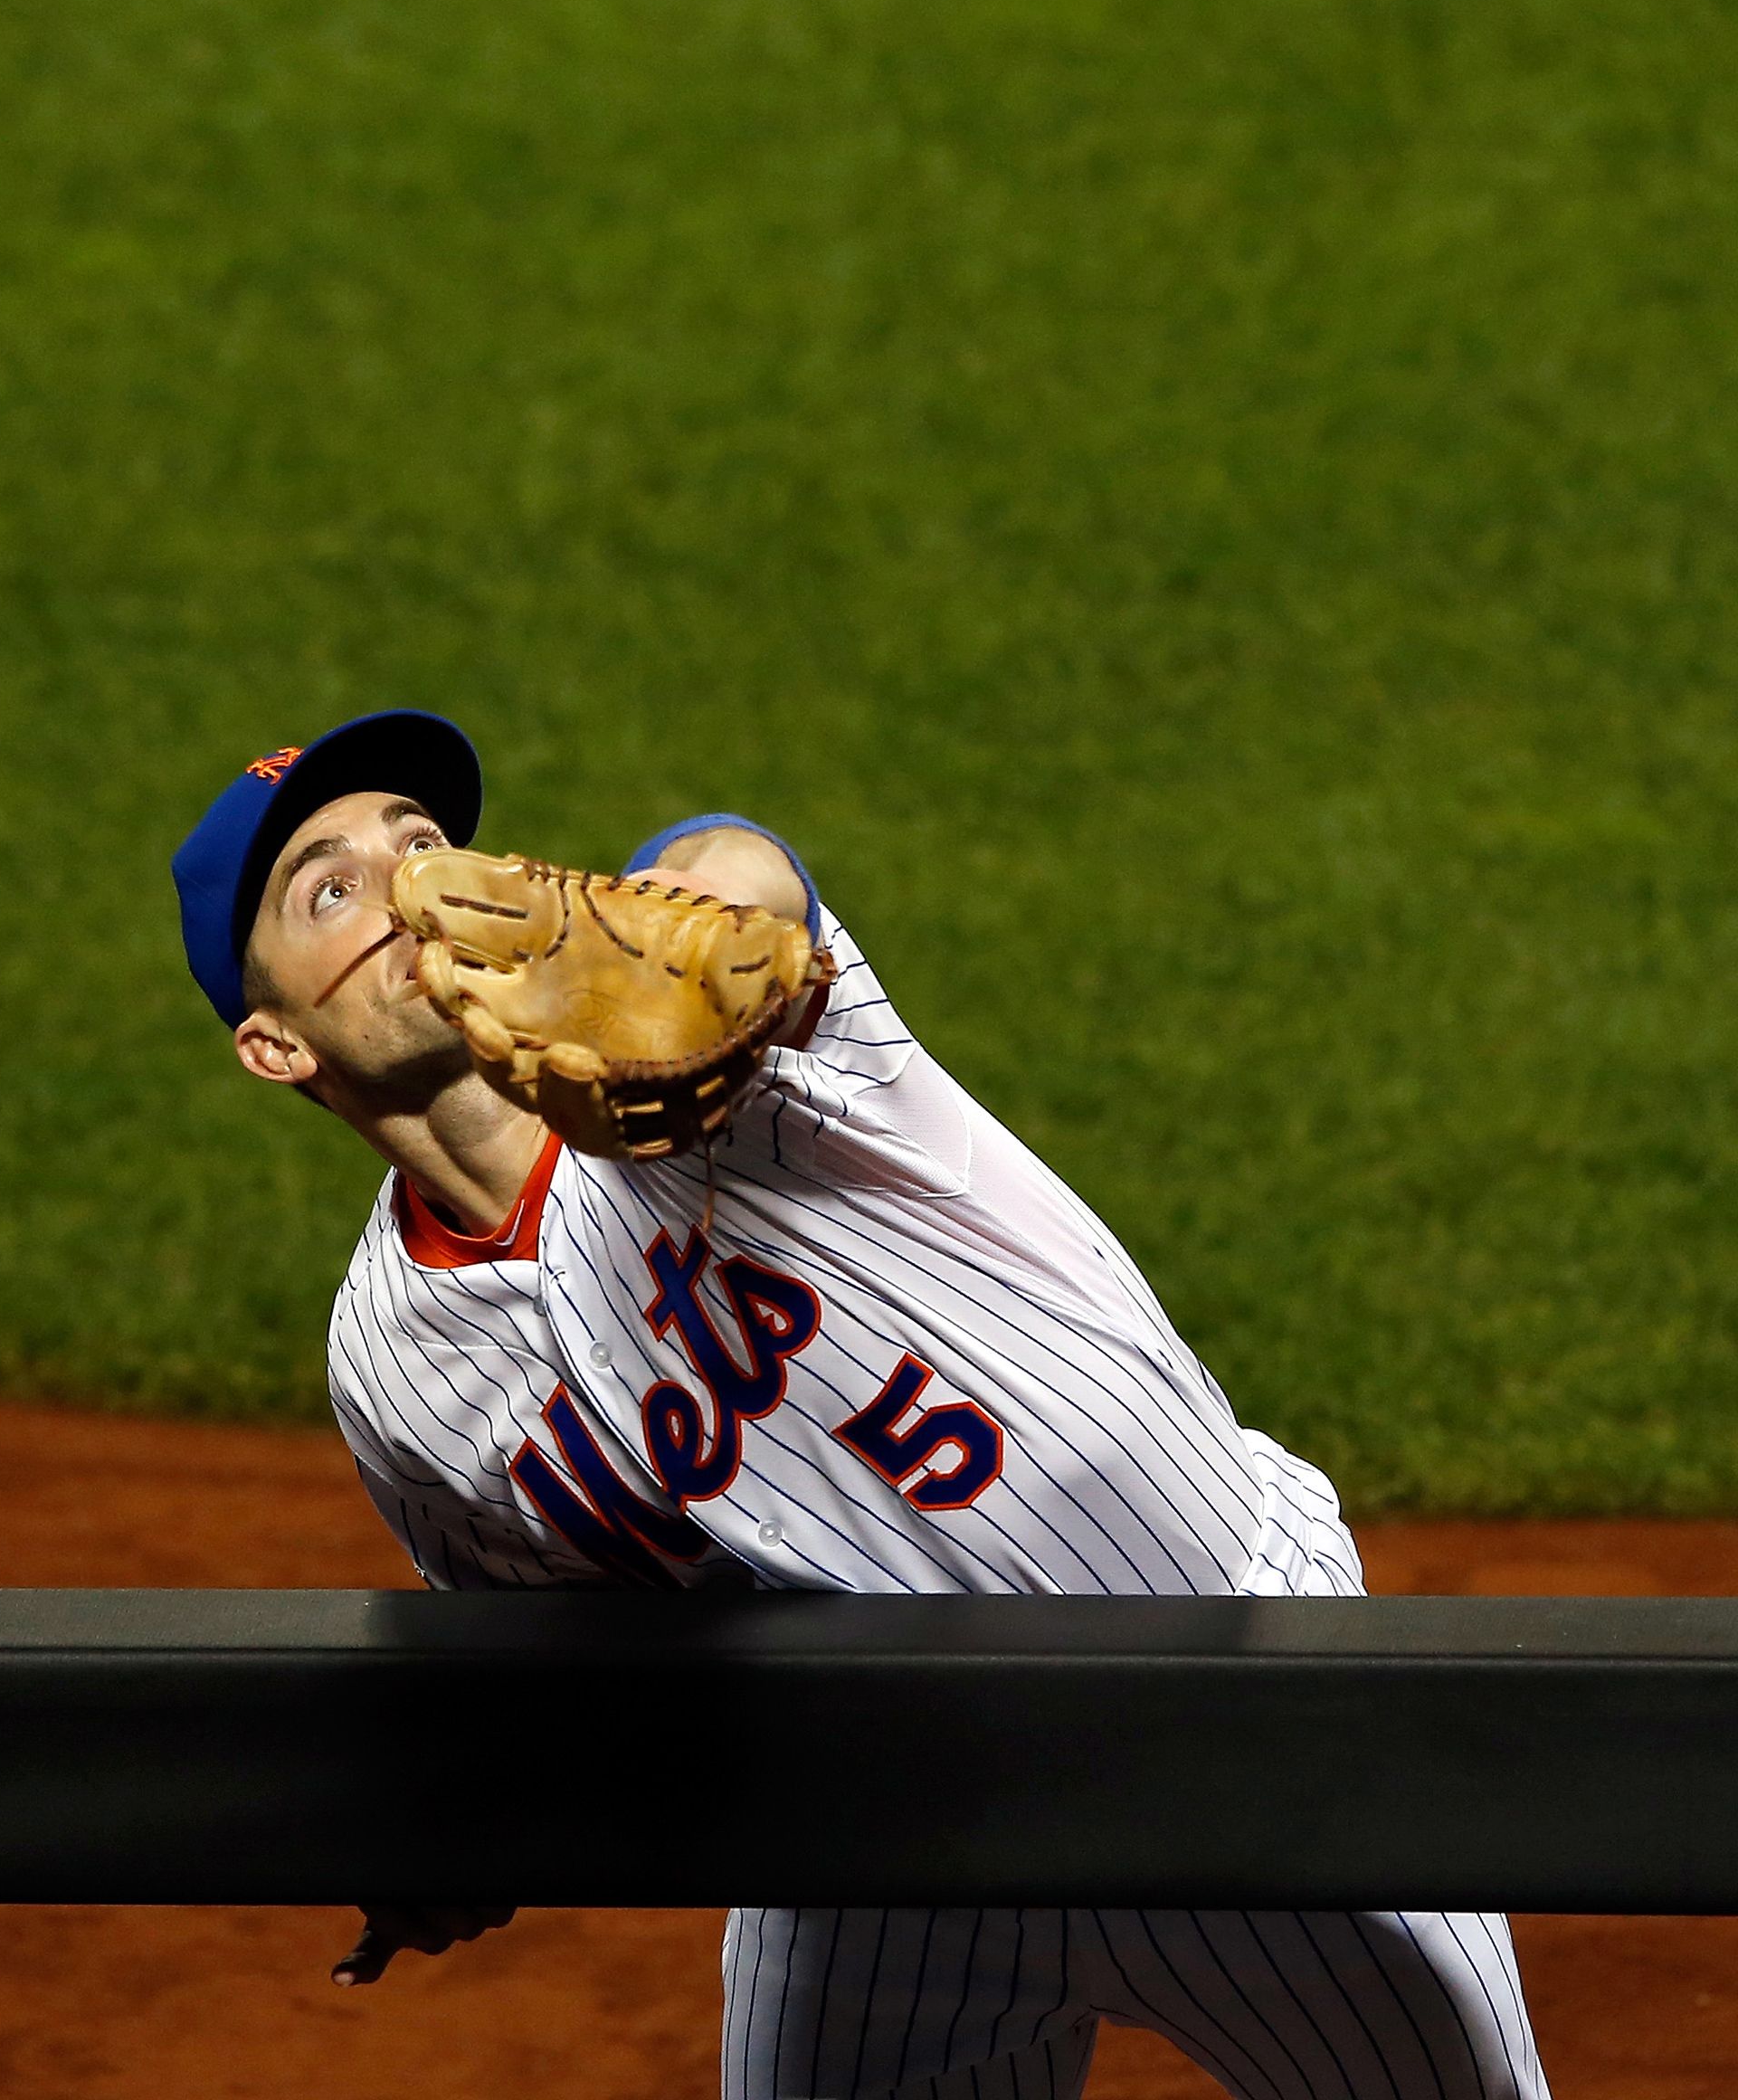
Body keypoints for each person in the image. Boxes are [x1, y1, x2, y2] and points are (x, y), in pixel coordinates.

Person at [174, 710, 1551, 2100]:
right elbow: (557, 1655)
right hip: (888, 1829)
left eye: (422, 839)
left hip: (1238, 1707)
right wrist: (477, 1821)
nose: (410, 885)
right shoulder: (396, 1365)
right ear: (278, 1045)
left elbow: (738, 870)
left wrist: (684, 907)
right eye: (331, 889)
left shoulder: (729, 1046)